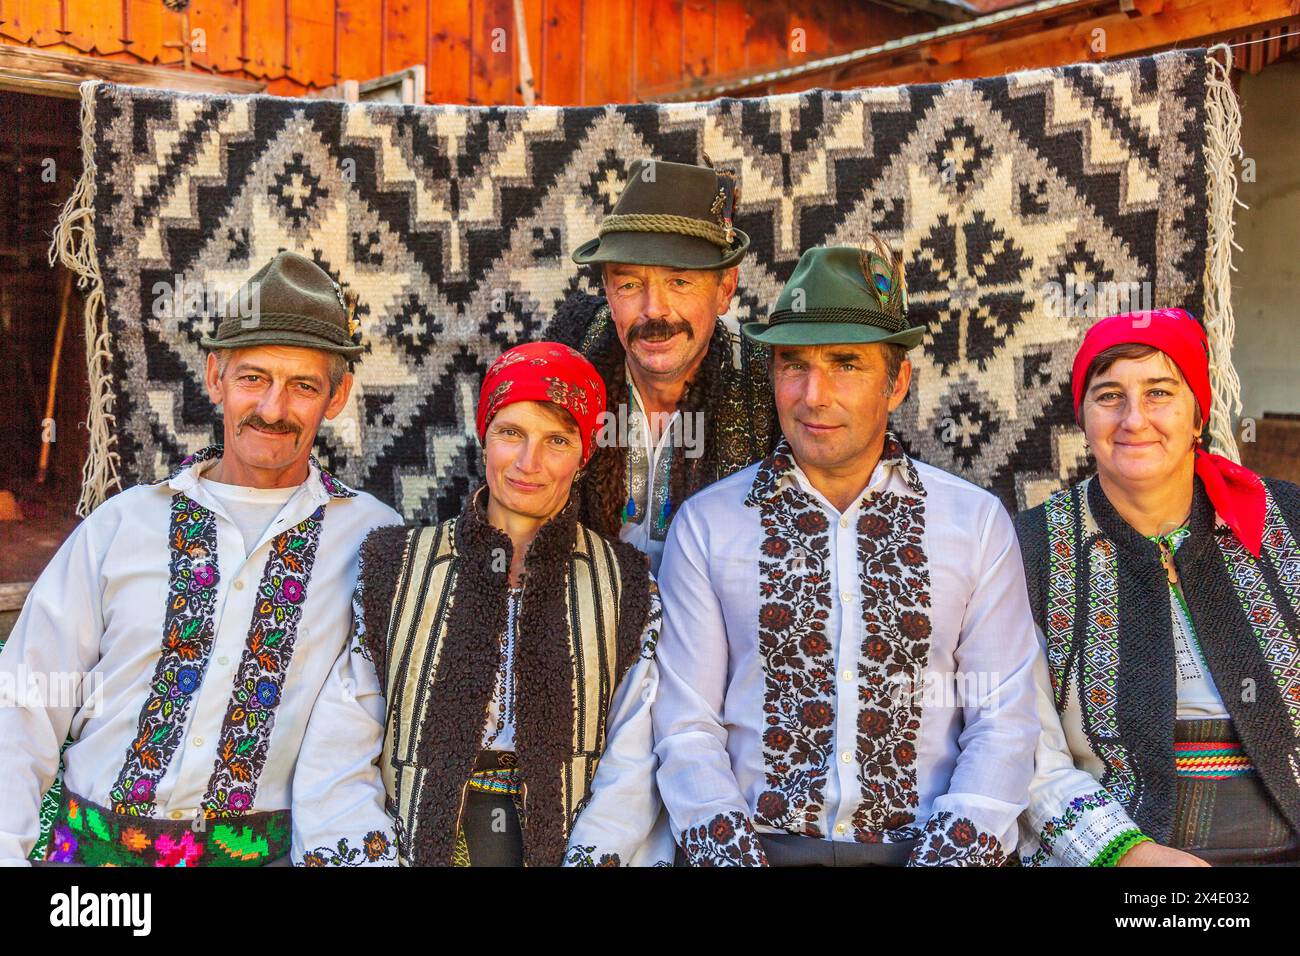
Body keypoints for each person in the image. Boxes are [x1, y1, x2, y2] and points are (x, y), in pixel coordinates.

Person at [0, 251, 400, 866]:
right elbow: (24, 699)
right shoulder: (124, 523)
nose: (272, 409)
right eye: (253, 378)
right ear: (215, 376)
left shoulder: (374, 540)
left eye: (303, 386)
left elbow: (366, 731)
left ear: (338, 395)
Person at [652, 240, 1042, 866]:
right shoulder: (708, 525)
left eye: (846, 364)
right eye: (792, 364)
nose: (814, 395)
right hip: (756, 851)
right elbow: (686, 725)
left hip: (927, 851)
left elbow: (1002, 721)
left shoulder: (974, 524)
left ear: (898, 382)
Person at [352, 341, 672, 866]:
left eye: (557, 440)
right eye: (512, 433)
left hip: (563, 842)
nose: (530, 463)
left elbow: (633, 755)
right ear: (484, 438)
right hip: (416, 842)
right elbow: (347, 736)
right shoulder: (395, 566)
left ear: (584, 454)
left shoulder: (627, 585)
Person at [1016, 308, 1300, 866]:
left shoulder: (1287, 521)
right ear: (1083, 417)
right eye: (1108, 396)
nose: (1134, 419)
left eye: (1160, 393)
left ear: (1198, 414)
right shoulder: (1029, 550)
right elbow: (1024, 749)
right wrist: (1127, 854)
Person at [546, 158, 775, 572]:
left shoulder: (766, 382)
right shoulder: (570, 353)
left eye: (680, 282)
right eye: (630, 284)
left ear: (725, 289)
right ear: (607, 290)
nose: (654, 311)